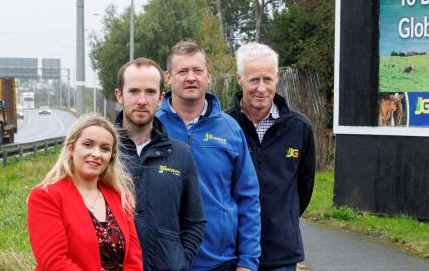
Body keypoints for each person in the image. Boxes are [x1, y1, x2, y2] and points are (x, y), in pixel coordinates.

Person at [156, 40, 261, 271]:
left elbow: (248, 198)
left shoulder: (231, 130)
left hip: (219, 262)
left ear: (209, 76)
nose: (190, 77)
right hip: (160, 262)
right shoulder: (151, 127)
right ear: (169, 77)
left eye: (197, 70)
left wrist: (248, 262)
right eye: (182, 71)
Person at [226, 42, 315, 271]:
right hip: (231, 252)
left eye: (268, 79)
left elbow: (304, 189)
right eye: (254, 80)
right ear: (240, 79)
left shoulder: (299, 128)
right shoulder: (223, 127)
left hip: (281, 253)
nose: (261, 88)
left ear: (277, 77)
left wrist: (284, 216)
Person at [114, 57, 207, 270]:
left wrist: (180, 262)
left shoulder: (180, 154)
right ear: (119, 95)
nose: (142, 100)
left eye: (150, 92)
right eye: (134, 91)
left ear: (161, 98)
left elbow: (195, 221)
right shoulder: (103, 152)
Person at [27, 115, 142, 270]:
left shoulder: (120, 197)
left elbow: (134, 261)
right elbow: (54, 261)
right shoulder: (45, 196)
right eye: (88, 144)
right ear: (71, 149)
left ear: (111, 157)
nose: (96, 154)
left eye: (105, 148)